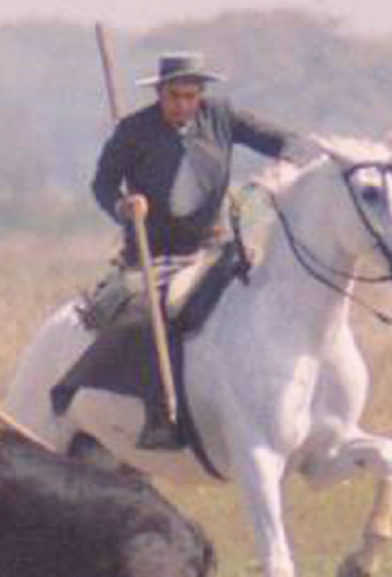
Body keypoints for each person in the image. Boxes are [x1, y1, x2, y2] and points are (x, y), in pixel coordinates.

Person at [73, 51, 305, 449]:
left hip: (214, 247)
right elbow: (103, 184)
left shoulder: (222, 117)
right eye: (174, 96)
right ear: (160, 93)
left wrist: (288, 167)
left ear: (201, 94)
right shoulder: (133, 130)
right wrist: (124, 206)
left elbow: (288, 141)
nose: (182, 104)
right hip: (153, 253)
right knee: (151, 316)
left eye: (190, 96)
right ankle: (158, 413)